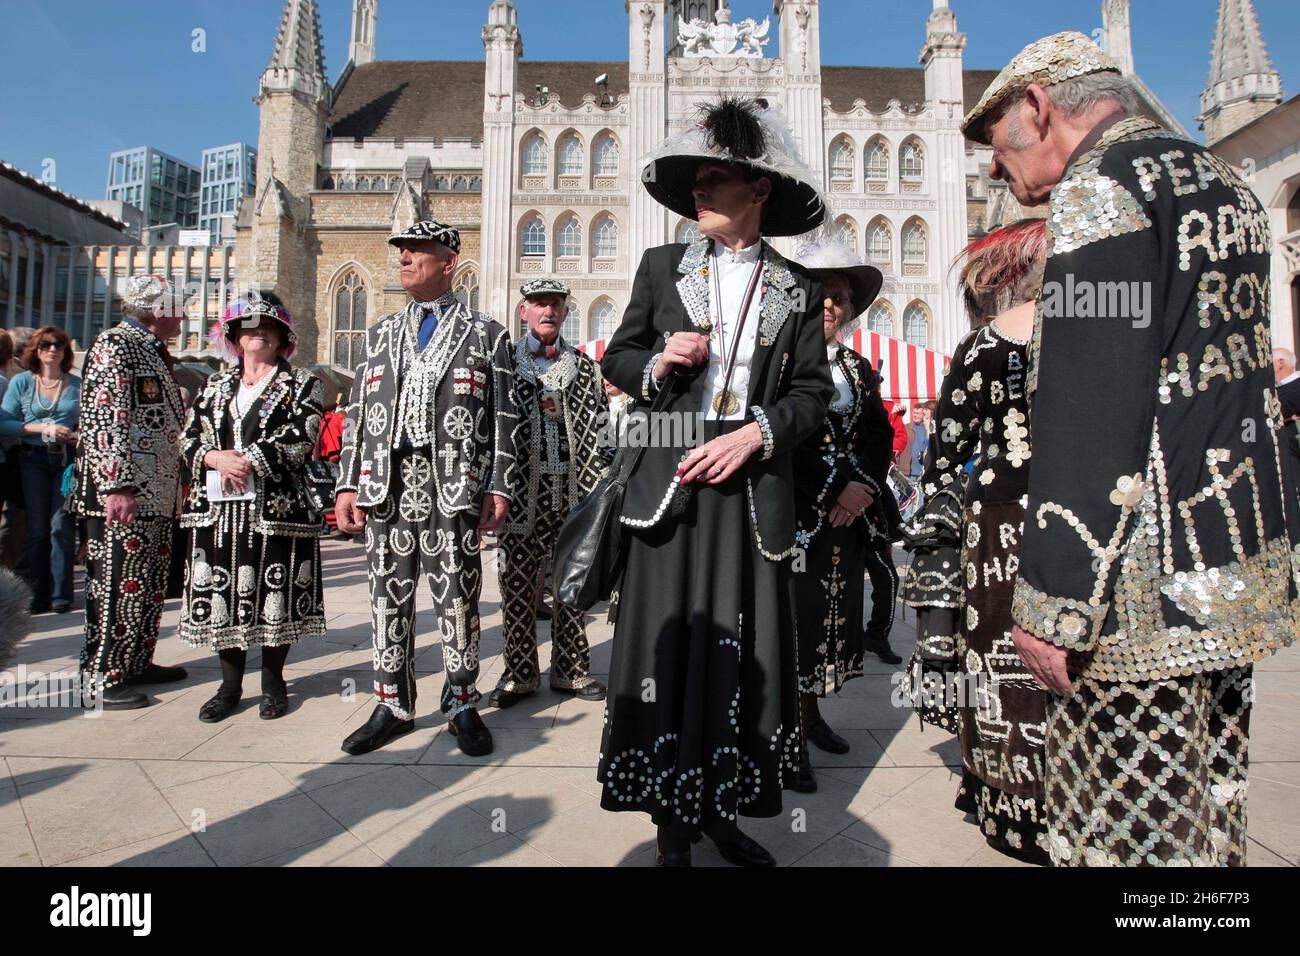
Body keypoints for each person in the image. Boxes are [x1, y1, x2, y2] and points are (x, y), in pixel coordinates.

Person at [965, 32, 1298, 865]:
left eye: (996, 138)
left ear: (1038, 106)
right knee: (1211, 801)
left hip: (1133, 591)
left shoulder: (1102, 189)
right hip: (1227, 567)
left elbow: (1091, 401)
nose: (994, 170)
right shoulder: (1222, 183)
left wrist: (1054, 602)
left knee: (1129, 822)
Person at [598, 97, 833, 867]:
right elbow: (618, 358)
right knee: (668, 653)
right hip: (669, 485)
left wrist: (756, 435)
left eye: (716, 179)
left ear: (759, 189)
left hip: (750, 493)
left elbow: (811, 395)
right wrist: (658, 363)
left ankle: (724, 810)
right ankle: (670, 825)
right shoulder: (662, 266)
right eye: (694, 181)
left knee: (743, 657)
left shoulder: (797, 288)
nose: (699, 192)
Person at [335, 219, 521, 757]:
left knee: (458, 598)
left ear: (450, 263)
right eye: (402, 250)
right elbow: (358, 415)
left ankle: (462, 700)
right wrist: (348, 482)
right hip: (387, 484)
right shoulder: (380, 334)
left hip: (455, 485)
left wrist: (499, 484)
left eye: (419, 250)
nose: (405, 258)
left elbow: (505, 417)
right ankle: (392, 702)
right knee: (386, 598)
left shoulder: (486, 334)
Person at [903, 218, 1051, 861]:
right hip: (1081, 517)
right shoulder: (1095, 333)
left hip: (999, 520)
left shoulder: (985, 345)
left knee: (996, 653)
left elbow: (947, 447)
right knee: (1064, 656)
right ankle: (1062, 794)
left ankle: (1000, 795)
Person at [178, 296, 326, 722]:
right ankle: (228, 686)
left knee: (271, 593)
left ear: (282, 337)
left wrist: (247, 460)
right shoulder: (214, 385)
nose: (256, 331)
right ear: (234, 337)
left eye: (267, 325)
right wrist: (213, 457)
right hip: (218, 510)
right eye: (246, 326)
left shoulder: (302, 383)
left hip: (274, 507)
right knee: (224, 594)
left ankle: (273, 682)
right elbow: (188, 436)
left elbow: (302, 435)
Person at [786, 235, 896, 793]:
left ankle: (809, 715)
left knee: (830, 621)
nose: (831, 305)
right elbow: (782, 436)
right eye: (821, 295)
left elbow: (878, 432)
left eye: (839, 298)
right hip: (796, 515)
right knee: (791, 625)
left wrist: (864, 487)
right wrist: (834, 489)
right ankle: (783, 737)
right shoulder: (780, 361)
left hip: (847, 521)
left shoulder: (855, 366)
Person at [490, 278, 610, 709]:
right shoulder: (502, 365)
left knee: (571, 582)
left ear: (565, 312)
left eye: (556, 304)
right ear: (524, 311)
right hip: (520, 494)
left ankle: (572, 669)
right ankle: (518, 672)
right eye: (539, 304)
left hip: (573, 494)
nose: (548, 311)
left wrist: (600, 492)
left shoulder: (584, 367)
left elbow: (600, 430)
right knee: (516, 585)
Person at [72, 274, 188, 709]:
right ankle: (102, 675)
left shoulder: (150, 349)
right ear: (156, 309)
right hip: (124, 495)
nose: (183, 312)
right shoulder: (115, 345)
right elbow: (106, 418)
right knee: (118, 584)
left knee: (149, 583)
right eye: (177, 305)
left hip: (154, 492)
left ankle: (136, 659)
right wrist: (116, 484)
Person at [0, 326, 81, 614]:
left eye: (58, 345)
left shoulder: (75, 384)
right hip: (32, 458)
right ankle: (38, 594)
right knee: (36, 530)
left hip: (65, 461)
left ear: (65, 352)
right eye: (45, 344)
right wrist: (40, 427)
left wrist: (76, 435)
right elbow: (4, 422)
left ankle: (61, 594)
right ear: (36, 350)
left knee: (61, 525)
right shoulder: (22, 382)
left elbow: (92, 424)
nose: (52, 349)